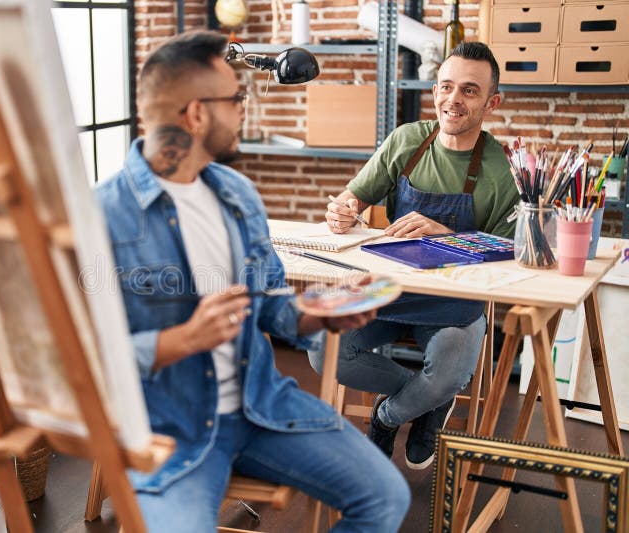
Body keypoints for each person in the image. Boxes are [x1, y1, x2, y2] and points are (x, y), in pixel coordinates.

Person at [96, 30, 410, 532]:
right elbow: (80, 360)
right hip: (170, 433)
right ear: (196, 115)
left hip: (262, 407)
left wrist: (323, 312)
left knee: (385, 497)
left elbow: (271, 308)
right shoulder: (101, 216)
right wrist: (183, 340)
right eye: (236, 98)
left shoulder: (237, 194)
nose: (245, 109)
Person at [310, 42, 520, 471]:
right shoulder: (407, 141)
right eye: (446, 86)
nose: (453, 99)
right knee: (321, 346)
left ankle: (388, 417)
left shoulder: (503, 169)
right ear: (434, 89)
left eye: (469, 90)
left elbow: (510, 254)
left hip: (454, 303)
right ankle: (426, 401)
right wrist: (341, 212)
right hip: (388, 288)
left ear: (492, 103)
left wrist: (449, 236)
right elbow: (351, 200)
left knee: (448, 374)